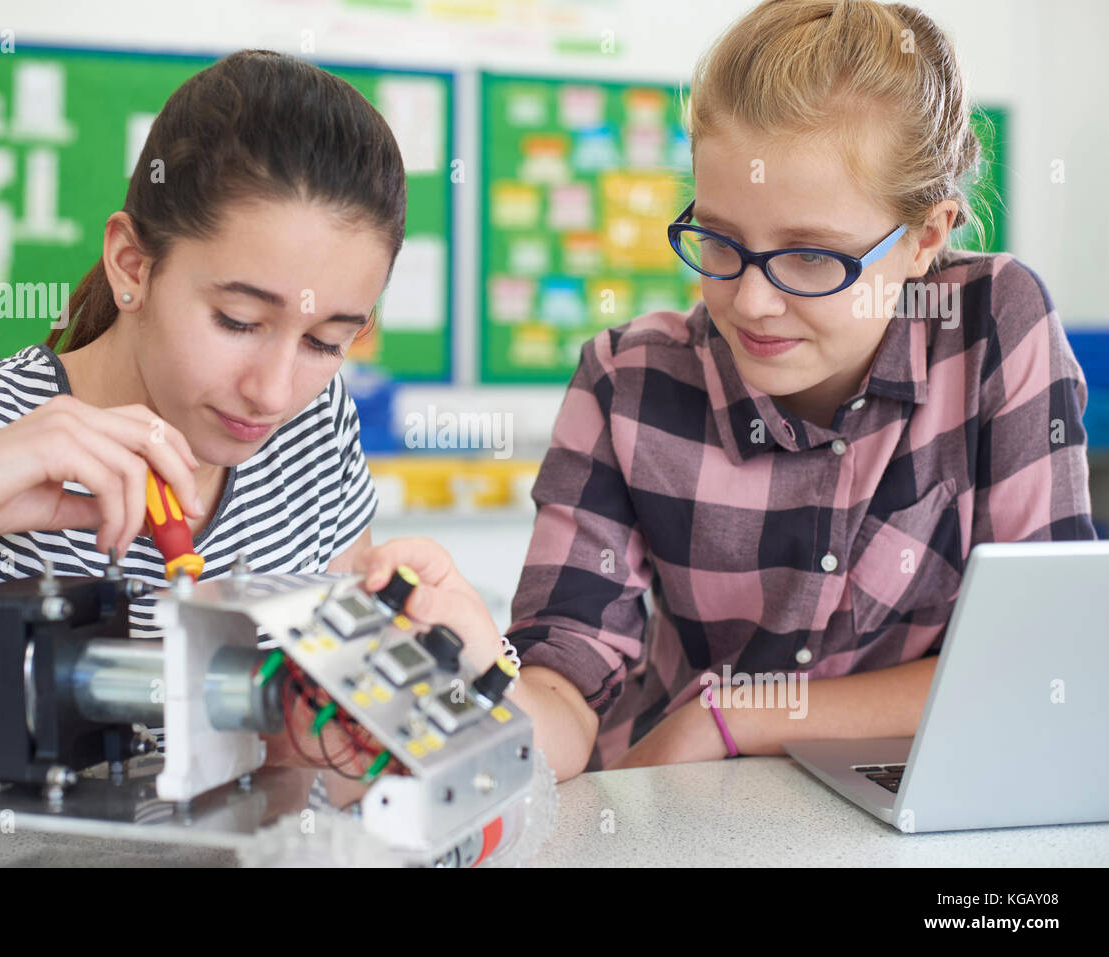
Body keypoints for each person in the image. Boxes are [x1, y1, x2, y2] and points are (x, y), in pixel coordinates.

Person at [358, 0, 1096, 782]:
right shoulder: (625, 381)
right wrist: (483, 667)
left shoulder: (991, 324)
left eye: (812, 257)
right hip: (689, 816)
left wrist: (729, 716)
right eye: (718, 240)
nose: (751, 302)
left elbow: (1044, 668)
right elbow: (564, 695)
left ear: (927, 237)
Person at [0, 50, 405, 778]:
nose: (275, 394)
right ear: (132, 264)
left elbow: (335, 733)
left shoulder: (315, 425)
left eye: (325, 340)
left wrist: (433, 666)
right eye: (238, 320)